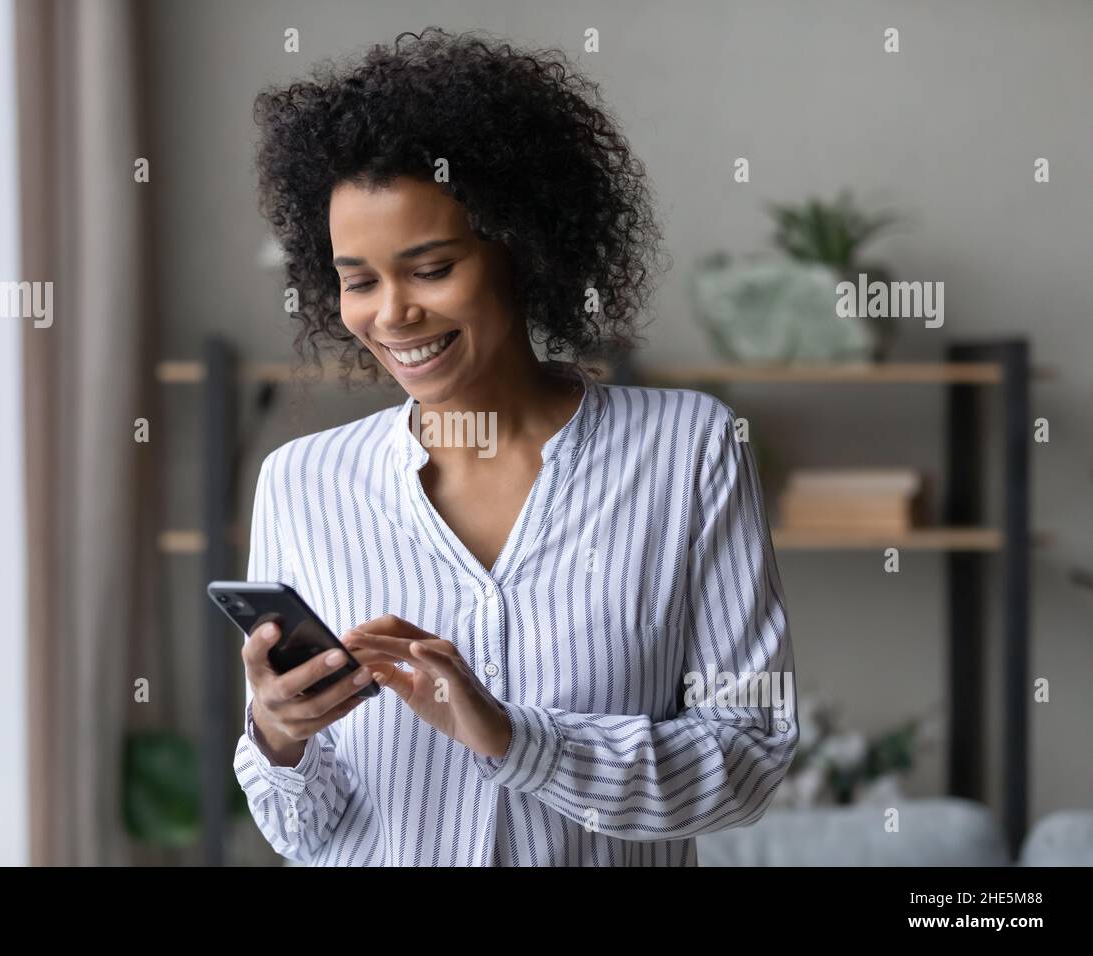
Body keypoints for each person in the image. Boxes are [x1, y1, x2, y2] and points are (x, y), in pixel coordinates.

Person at [233, 27, 798, 866]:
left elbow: (747, 758)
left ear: (521, 253)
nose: (391, 314)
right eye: (359, 281)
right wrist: (279, 738)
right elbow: (306, 830)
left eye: (430, 268)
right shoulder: (301, 483)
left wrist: (515, 739)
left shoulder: (688, 451)